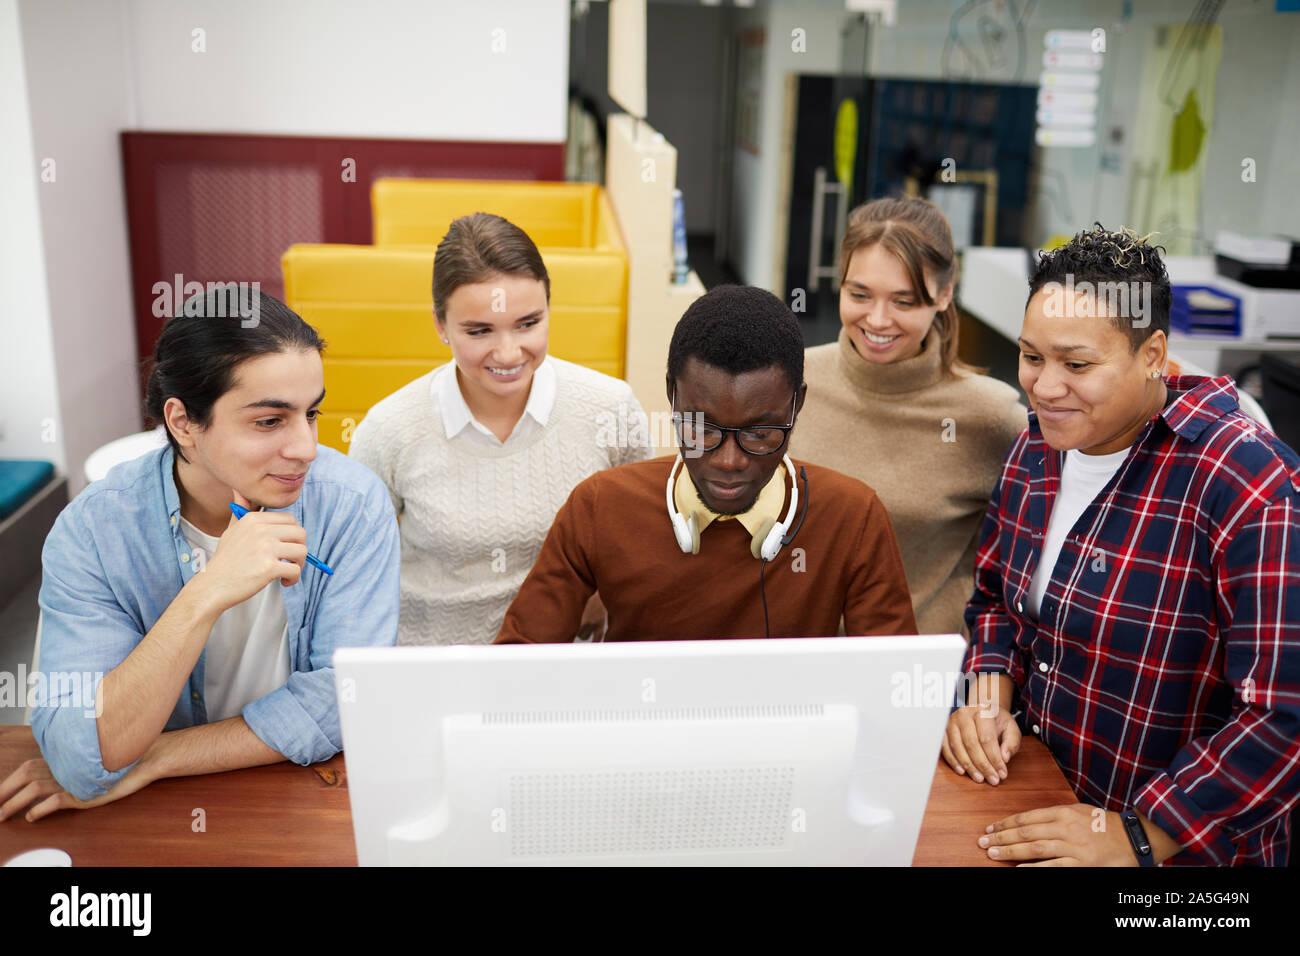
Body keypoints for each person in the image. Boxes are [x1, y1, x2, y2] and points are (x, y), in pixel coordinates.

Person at [942, 225, 1300, 866]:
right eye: (1030, 357)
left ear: (1153, 354)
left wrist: (1138, 836)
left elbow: (1283, 715)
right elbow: (996, 598)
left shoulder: (1246, 482)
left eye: (1077, 365)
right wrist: (988, 696)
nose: (1045, 388)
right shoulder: (1037, 449)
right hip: (1040, 802)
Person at [0, 289, 399, 821]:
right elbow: (81, 759)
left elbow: (344, 701)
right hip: (153, 818)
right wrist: (207, 592)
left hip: (294, 797)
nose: (305, 446)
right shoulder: (94, 529)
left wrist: (159, 758)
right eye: (269, 421)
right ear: (183, 422)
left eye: (312, 413)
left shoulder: (352, 504)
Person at [494, 284, 917, 644]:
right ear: (671, 396)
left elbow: (895, 688)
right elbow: (516, 666)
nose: (728, 461)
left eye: (758, 433)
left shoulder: (854, 517)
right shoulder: (599, 507)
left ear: (797, 404)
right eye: (702, 429)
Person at [349, 212, 652, 646]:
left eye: (529, 324)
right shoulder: (391, 428)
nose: (509, 353)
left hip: (563, 665)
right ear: (440, 325)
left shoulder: (609, 407)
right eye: (480, 331)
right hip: (433, 666)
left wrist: (605, 593)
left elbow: (641, 528)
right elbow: (352, 565)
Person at [790, 197, 1024, 636]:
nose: (878, 320)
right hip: (798, 659)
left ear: (945, 294)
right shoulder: (789, 381)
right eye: (859, 294)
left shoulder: (991, 416)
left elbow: (1019, 576)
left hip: (921, 676)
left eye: (904, 301)